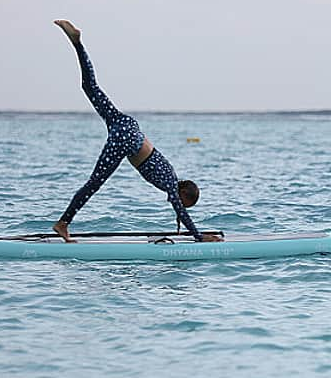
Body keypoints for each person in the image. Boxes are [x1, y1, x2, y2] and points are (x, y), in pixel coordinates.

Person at [51, 20, 221, 243]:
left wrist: (181, 220)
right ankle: (63, 223)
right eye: (185, 203)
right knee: (94, 183)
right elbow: (180, 209)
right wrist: (199, 236)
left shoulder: (170, 176)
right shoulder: (170, 183)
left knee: (89, 87)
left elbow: (179, 209)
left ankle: (77, 44)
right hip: (127, 138)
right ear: (183, 194)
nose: (180, 205)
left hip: (126, 125)